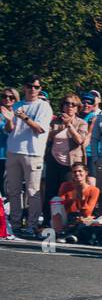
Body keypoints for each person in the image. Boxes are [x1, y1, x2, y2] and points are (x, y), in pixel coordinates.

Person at [5, 77, 54, 233]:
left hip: (33, 152)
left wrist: (24, 117)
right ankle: (15, 223)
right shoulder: (17, 105)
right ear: (24, 87)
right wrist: (8, 121)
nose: (32, 89)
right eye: (29, 86)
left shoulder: (43, 107)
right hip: (13, 150)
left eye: (36, 87)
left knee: (33, 191)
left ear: (40, 89)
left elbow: (40, 129)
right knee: (13, 190)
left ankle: (32, 224)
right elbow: (9, 130)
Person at [42, 94, 89, 225]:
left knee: (69, 193)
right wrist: (59, 128)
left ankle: (69, 223)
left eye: (73, 104)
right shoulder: (55, 121)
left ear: (77, 108)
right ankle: (48, 221)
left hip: (71, 163)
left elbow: (80, 140)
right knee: (50, 191)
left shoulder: (82, 122)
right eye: (67, 103)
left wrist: (69, 125)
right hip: (53, 160)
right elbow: (47, 137)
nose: (69, 106)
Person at [48, 162, 100, 241]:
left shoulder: (94, 190)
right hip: (67, 218)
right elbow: (62, 205)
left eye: (80, 171)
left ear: (86, 173)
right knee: (55, 199)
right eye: (74, 172)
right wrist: (73, 198)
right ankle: (59, 233)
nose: (77, 174)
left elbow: (87, 212)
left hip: (83, 220)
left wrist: (81, 197)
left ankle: (72, 235)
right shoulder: (65, 185)